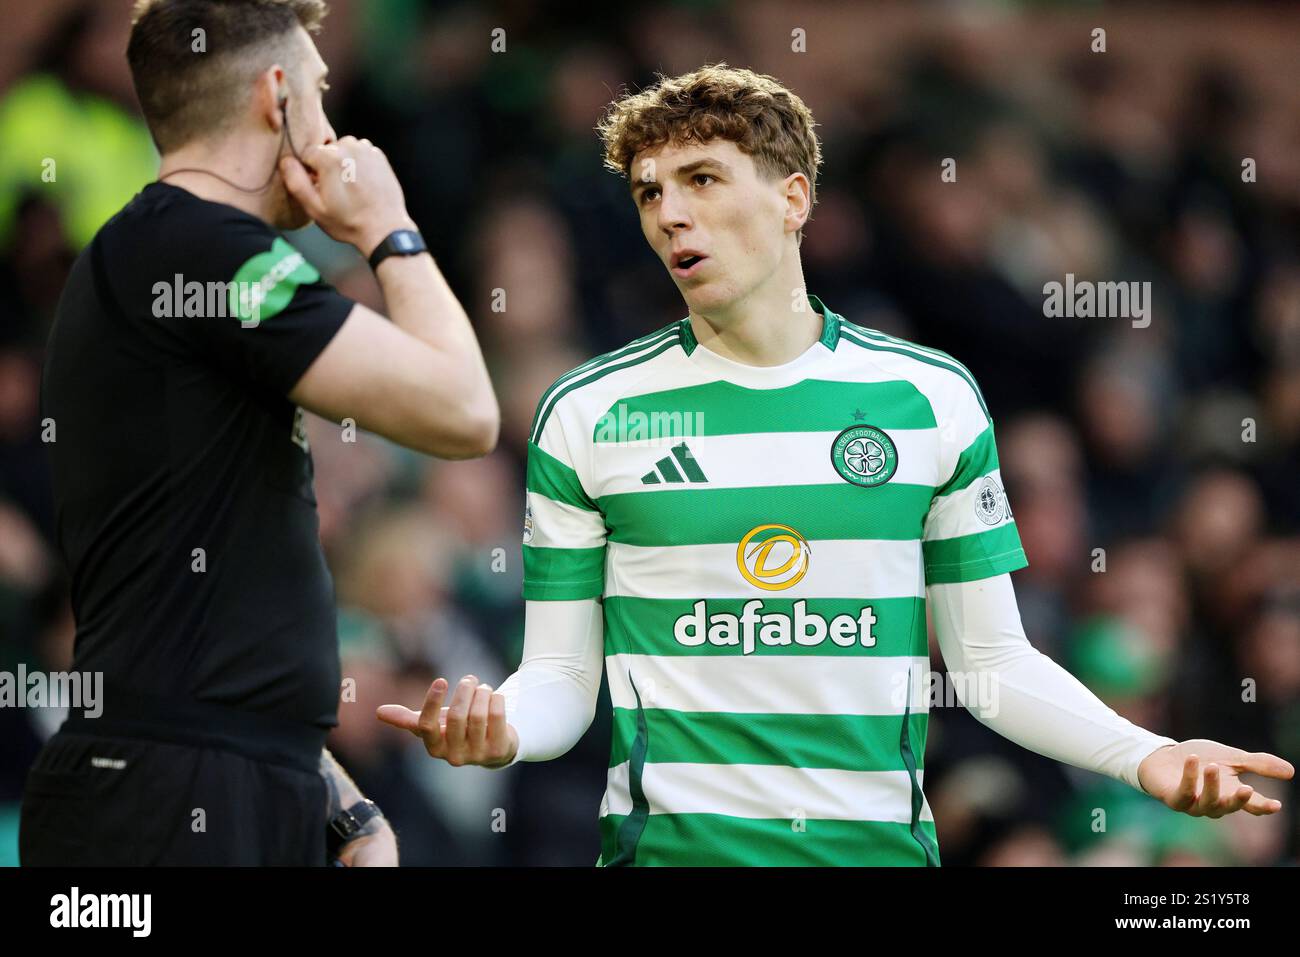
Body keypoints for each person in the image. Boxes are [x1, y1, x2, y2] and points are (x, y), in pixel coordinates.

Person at [378, 64, 1292, 865]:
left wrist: (1145, 753)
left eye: (702, 179)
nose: (672, 213)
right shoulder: (587, 411)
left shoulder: (929, 398)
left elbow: (988, 664)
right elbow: (566, 681)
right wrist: (500, 727)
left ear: (793, 199)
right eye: (651, 192)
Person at [20, 0, 498, 866]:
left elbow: (195, 631)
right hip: (168, 805)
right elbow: (464, 412)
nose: (331, 134)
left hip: (194, 785)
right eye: (319, 95)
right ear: (277, 97)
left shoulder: (157, 253)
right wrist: (389, 231)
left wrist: (334, 799)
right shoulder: (203, 252)